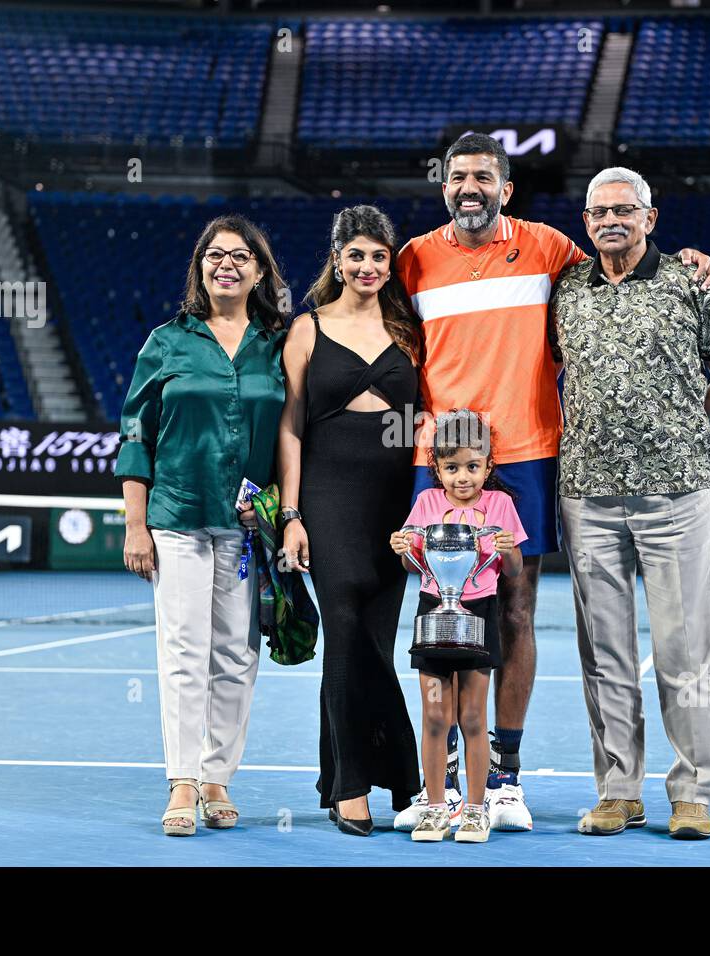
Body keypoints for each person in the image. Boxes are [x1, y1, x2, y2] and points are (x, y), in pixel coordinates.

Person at [392, 133, 710, 832]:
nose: (471, 187)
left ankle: (505, 776)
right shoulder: (413, 259)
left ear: (506, 189)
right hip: (443, 458)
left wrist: (697, 260)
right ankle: (448, 779)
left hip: (529, 454)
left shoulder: (548, 249)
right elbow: (370, 321)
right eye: (459, 177)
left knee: (516, 610)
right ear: (444, 186)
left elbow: (629, 261)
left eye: (485, 175)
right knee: (446, 614)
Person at [551, 167, 710, 839]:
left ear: (650, 218)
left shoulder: (690, 282)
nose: (611, 220)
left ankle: (693, 792)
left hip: (676, 495)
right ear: (586, 221)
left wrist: (682, 425)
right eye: (599, 211)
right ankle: (617, 789)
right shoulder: (567, 289)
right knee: (603, 652)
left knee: (683, 650)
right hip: (587, 497)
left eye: (624, 210)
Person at [116, 215, 289, 836]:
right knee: (184, 651)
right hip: (179, 516)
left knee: (238, 655)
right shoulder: (167, 341)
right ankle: (183, 780)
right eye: (215, 255)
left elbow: (291, 436)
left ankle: (219, 775)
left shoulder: (280, 342)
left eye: (242, 256)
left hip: (247, 526)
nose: (228, 264)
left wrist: (279, 513)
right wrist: (135, 525)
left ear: (260, 270)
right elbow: (135, 434)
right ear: (200, 267)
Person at [278, 205, 424, 836]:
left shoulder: (409, 330)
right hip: (327, 497)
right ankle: (368, 783)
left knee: (376, 645)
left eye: (379, 256)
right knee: (343, 631)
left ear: (390, 264)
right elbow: (289, 428)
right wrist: (291, 515)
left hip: (395, 503)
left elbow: (426, 420)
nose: (368, 266)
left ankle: (348, 775)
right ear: (337, 259)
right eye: (356, 255)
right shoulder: (306, 329)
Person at [391, 410, 526, 843]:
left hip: (479, 616)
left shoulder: (501, 506)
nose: (462, 478)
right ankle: (434, 808)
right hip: (433, 611)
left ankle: (474, 810)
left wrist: (509, 550)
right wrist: (400, 547)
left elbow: (514, 572)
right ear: (437, 469)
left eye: (472, 466)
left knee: (471, 716)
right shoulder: (427, 504)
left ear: (488, 465)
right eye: (451, 468)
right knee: (434, 716)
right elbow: (412, 561)